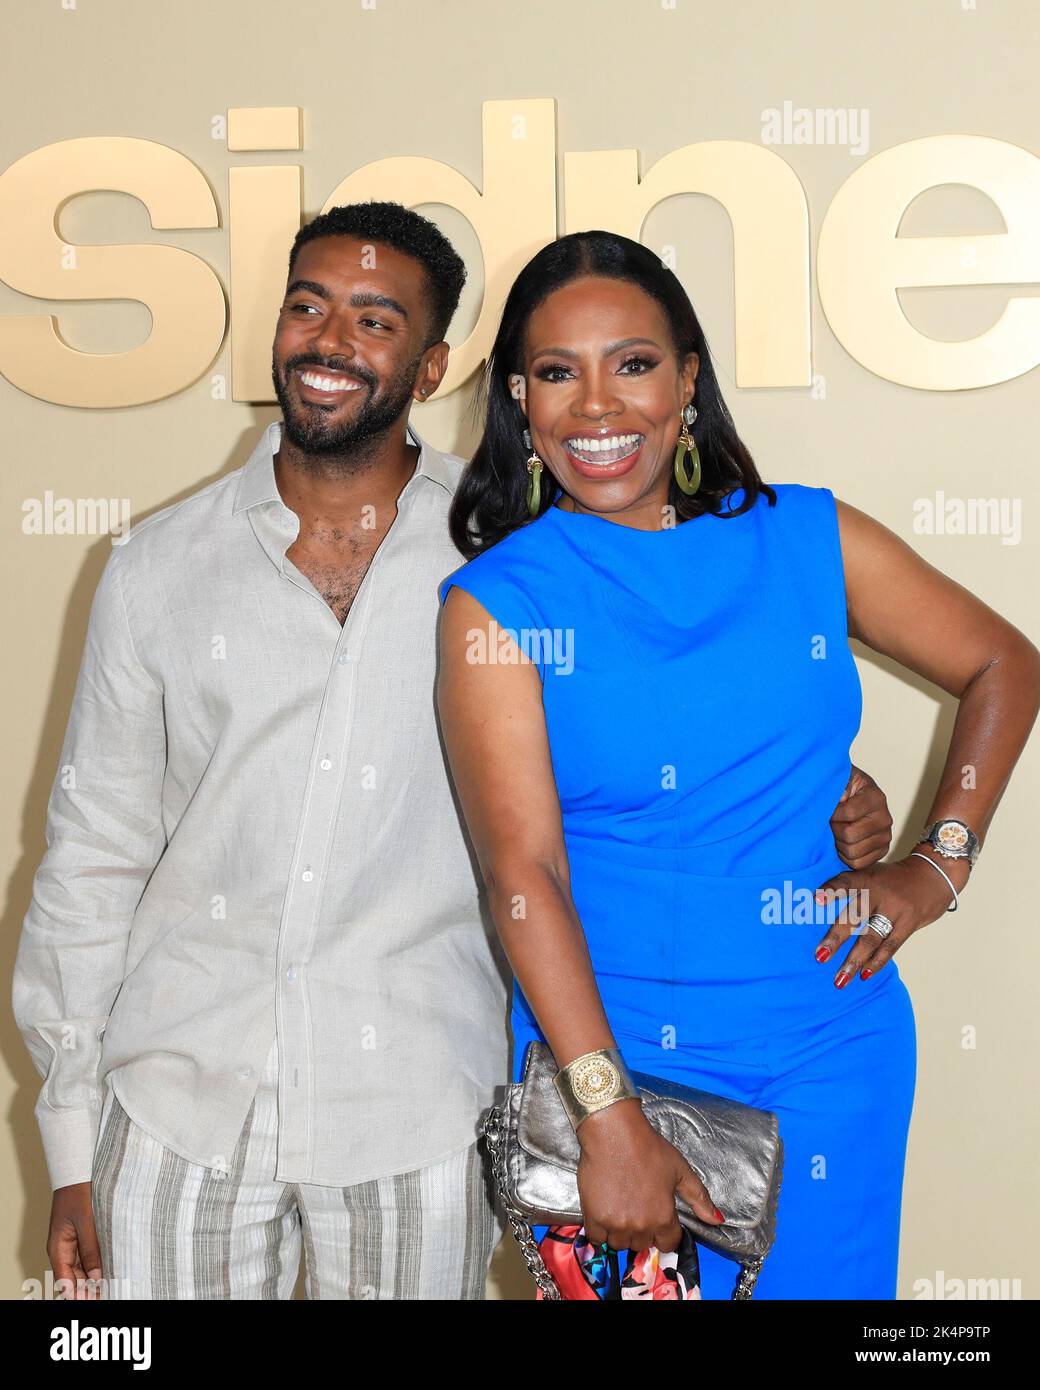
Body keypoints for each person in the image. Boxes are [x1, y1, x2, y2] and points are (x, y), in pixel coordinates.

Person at [14, 202, 893, 1303]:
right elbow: (91, 857)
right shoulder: (155, 568)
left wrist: (829, 794)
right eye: (307, 307)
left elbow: (671, 721)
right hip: (175, 1109)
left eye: (375, 319)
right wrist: (69, 1141)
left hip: (421, 1114)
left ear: (431, 368)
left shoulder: (517, 558)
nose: (331, 340)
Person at [435, 229, 1040, 1300]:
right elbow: (524, 874)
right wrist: (607, 1116)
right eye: (557, 373)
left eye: (632, 364)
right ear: (520, 402)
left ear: (687, 381)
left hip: (827, 1047)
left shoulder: (807, 537)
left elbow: (1003, 662)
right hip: (617, 1064)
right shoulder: (499, 601)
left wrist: (935, 864)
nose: (597, 406)